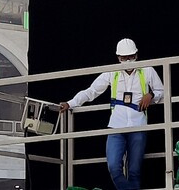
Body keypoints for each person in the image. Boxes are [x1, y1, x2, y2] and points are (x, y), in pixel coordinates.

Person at [59, 38, 165, 190]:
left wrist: (151, 95)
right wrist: (70, 103)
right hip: (116, 126)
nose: (127, 61)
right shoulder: (112, 72)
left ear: (136, 55)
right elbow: (91, 91)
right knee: (114, 167)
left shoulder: (147, 70)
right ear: (118, 57)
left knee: (134, 171)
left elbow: (162, 91)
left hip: (138, 125)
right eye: (124, 57)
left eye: (130, 57)